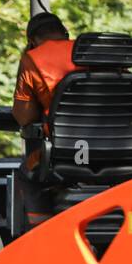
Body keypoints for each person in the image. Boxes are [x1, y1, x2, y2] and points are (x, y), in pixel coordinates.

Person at [13, 12, 78, 228]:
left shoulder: (33, 58)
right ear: (65, 33)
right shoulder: (94, 53)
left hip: (67, 154)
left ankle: (43, 235)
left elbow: (24, 117)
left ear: (32, 41)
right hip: (119, 152)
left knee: (27, 174)